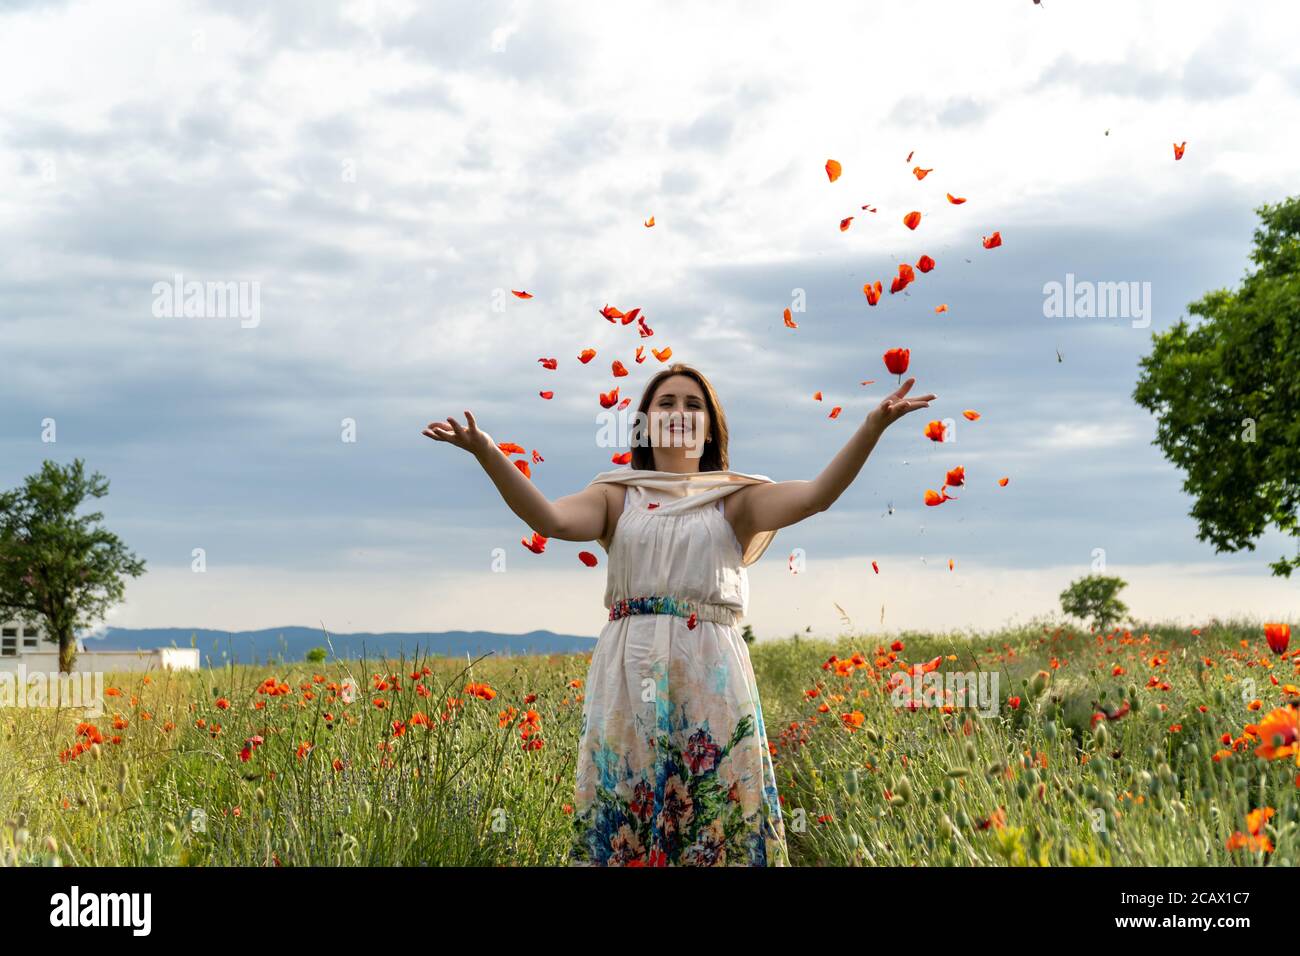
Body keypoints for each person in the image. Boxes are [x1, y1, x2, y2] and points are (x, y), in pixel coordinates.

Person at [423, 362, 935, 865]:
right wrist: (488, 453)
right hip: (629, 668)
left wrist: (871, 429)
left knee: (710, 806)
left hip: (707, 669)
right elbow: (550, 519)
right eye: (666, 402)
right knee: (629, 801)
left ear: (710, 427)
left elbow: (817, 497)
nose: (680, 411)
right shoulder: (615, 495)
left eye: (694, 404)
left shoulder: (734, 499)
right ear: (644, 420)